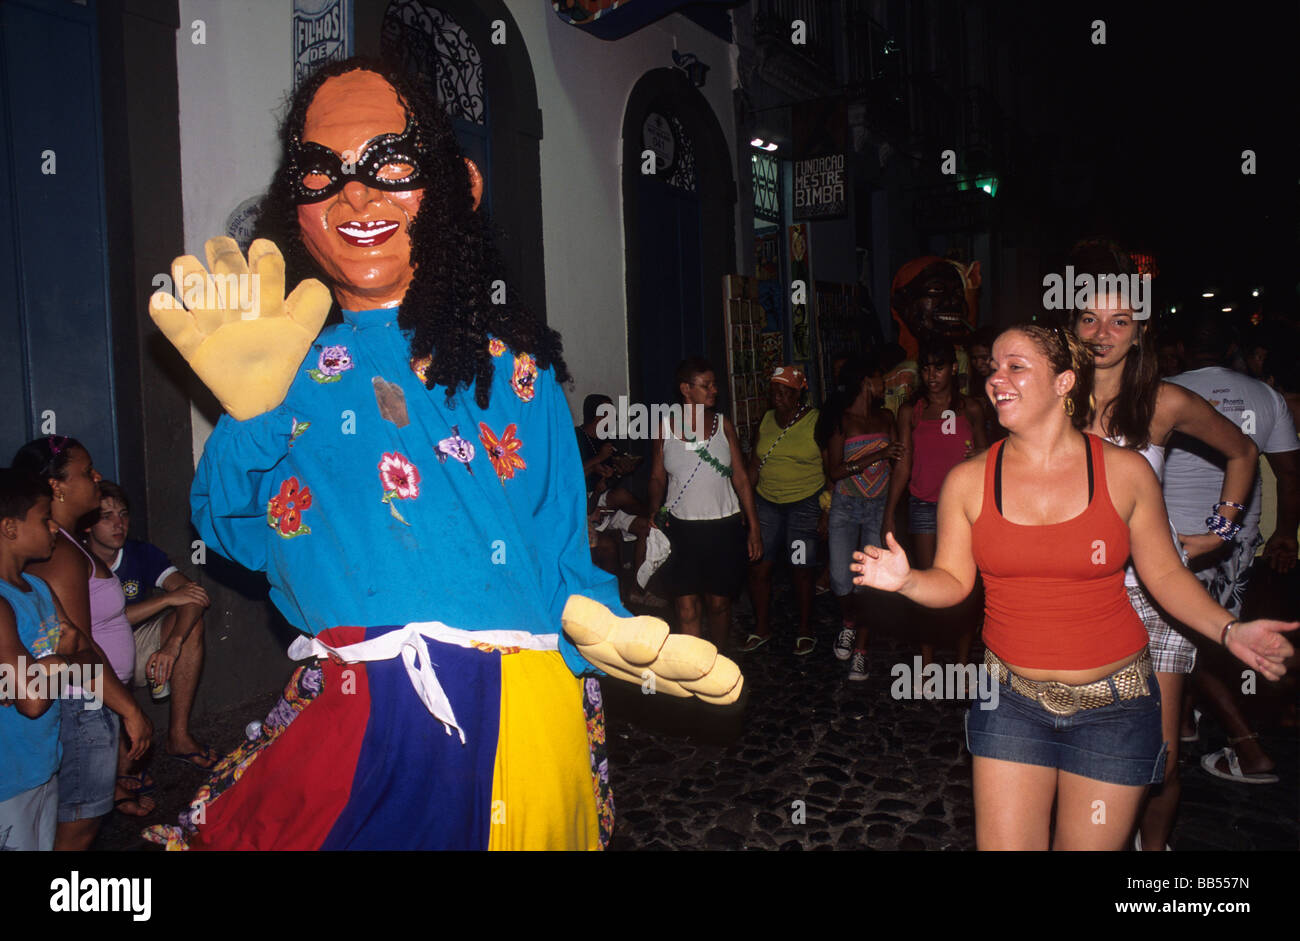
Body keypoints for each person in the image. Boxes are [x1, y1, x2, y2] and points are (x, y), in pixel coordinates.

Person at [144, 58, 738, 850]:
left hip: (524, 724)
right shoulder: (287, 370)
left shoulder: (515, 372)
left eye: (388, 166)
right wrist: (251, 415)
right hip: (360, 726)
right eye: (323, 174)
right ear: (299, 203)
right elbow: (229, 527)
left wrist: (598, 620)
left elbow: (557, 544)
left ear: (458, 184)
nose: (355, 195)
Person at [851, 324, 1296, 850]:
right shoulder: (968, 481)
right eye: (993, 367)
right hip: (1010, 703)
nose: (997, 378)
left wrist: (1230, 632)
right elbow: (952, 583)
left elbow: (1166, 576)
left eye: (1016, 366)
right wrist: (907, 582)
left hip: (1115, 706)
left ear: (1065, 382)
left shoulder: (1125, 472)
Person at [1069, 239, 1260, 851]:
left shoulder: (1163, 403)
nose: (1103, 332)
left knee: (1163, 757)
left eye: (1119, 320)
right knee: (1087, 744)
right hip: (1077, 599)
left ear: (1140, 330)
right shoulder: (1052, 402)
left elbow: (1242, 451)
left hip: (1155, 596)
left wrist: (1220, 533)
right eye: (1089, 317)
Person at [1163, 307, 1300, 786]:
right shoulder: (1266, 395)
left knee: (1191, 639)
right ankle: (1180, 723)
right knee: (1202, 636)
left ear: (1180, 348)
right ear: (1229, 348)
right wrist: (1285, 531)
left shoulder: (1166, 394)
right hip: (1234, 539)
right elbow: (1288, 472)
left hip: (1175, 539)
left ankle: (1247, 745)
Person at [12, 437, 154, 848]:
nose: (97, 477)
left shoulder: (72, 545)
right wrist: (129, 709)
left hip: (91, 701)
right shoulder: (60, 556)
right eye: (86, 471)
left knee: (78, 820)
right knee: (76, 829)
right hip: (83, 703)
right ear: (56, 486)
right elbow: (76, 648)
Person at [84, 481, 216, 776]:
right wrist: (168, 598)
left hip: (136, 643)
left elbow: (194, 596)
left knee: (190, 624)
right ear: (88, 525)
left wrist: (173, 644)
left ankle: (178, 737)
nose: (119, 524)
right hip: (92, 656)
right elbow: (97, 624)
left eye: (123, 514)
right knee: (119, 769)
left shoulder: (140, 553)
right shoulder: (78, 561)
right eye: (107, 517)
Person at [884, 338, 986, 674]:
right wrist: (889, 514)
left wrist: (978, 458)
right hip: (924, 505)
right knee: (926, 585)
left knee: (965, 587)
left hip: (965, 510)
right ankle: (927, 666)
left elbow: (989, 460)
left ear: (953, 369)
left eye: (938, 367)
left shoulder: (970, 408)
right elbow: (904, 464)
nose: (931, 375)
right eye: (925, 368)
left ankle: (961, 663)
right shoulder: (910, 411)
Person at [647, 358, 761, 647]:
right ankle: (695, 673)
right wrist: (653, 509)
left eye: (714, 384)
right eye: (705, 385)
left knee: (719, 605)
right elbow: (658, 477)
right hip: (681, 530)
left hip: (723, 527)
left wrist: (754, 527)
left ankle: (719, 661)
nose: (714, 390)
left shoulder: (723, 426)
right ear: (686, 389)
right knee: (686, 609)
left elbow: (741, 479)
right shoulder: (665, 428)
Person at [815, 353, 901, 680]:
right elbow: (835, 471)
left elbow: (898, 464)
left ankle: (861, 649)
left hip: (877, 506)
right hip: (846, 506)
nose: (885, 384)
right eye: (880, 378)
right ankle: (848, 622)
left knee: (868, 582)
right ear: (866, 382)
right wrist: (878, 454)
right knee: (839, 579)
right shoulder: (843, 421)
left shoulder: (886, 417)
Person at [0, 470, 69, 851]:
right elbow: (33, 701)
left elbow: (83, 647)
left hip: (41, 763)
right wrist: (56, 661)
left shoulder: (37, 587)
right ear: (10, 527)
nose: (54, 527)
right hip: (8, 778)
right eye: (45, 518)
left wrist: (37, 669)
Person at [743, 365, 824, 654]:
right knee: (758, 566)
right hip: (767, 504)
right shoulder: (765, 420)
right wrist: (746, 502)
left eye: (784, 391)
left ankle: (805, 629)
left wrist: (826, 510)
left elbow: (830, 467)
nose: (777, 397)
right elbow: (754, 464)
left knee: (801, 568)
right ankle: (761, 628)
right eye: (774, 391)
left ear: (798, 393)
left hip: (803, 504)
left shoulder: (816, 421)